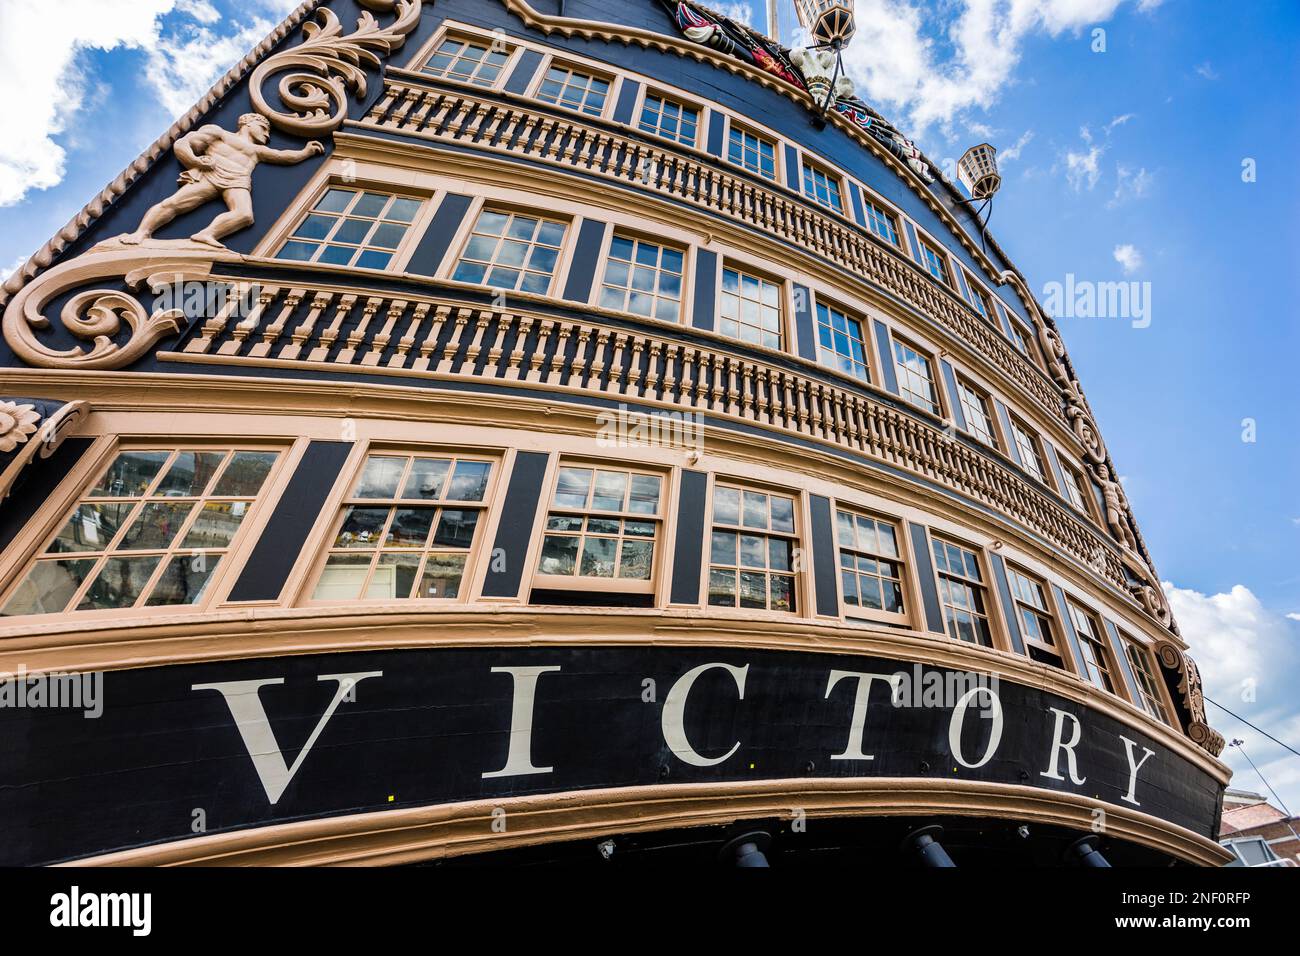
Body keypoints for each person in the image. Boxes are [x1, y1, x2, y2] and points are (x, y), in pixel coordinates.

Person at [122, 113, 324, 248]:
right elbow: (183, 144)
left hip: (237, 181)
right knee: (173, 204)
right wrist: (196, 161)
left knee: (244, 215)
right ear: (247, 123)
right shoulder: (219, 134)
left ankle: (207, 234)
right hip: (211, 173)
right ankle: (141, 233)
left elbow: (284, 156)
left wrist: (305, 152)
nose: (267, 134)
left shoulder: (257, 151)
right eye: (263, 127)